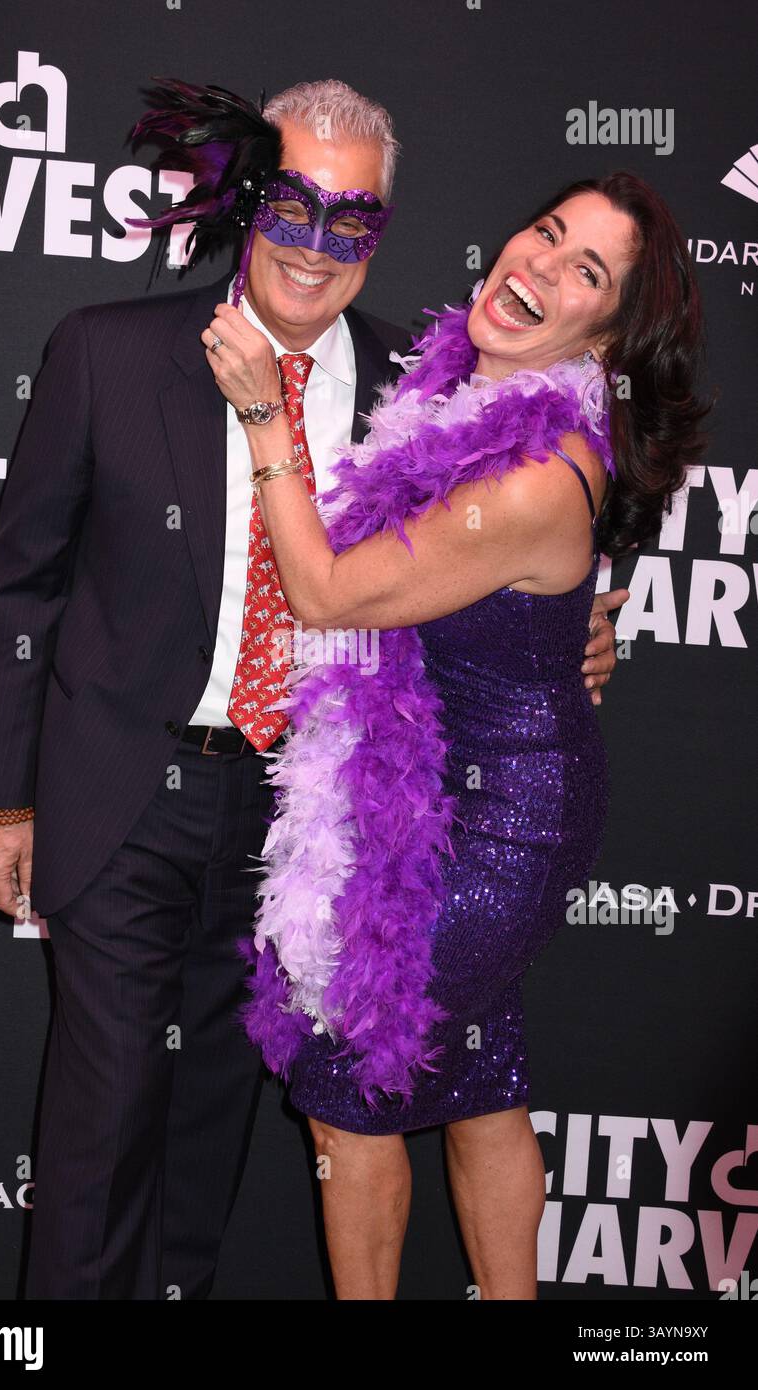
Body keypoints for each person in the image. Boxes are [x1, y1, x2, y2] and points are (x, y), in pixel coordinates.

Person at [0, 79, 623, 1300]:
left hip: (302, 820)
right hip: (127, 794)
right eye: (293, 203)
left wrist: (572, 629)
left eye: (353, 220)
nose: (316, 245)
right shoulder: (107, 350)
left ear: (381, 233)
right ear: (244, 196)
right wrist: (2, 801)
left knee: (208, 1130)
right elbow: (21, 588)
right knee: (102, 1122)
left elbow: (479, 560)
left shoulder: (413, 390)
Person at [203, 170, 708, 1299]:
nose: (537, 265)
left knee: (346, 1076)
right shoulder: (448, 393)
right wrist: (569, 630)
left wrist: (264, 417)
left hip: (497, 827)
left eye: (586, 271)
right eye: (544, 231)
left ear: (608, 333)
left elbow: (329, 595)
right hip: (457, 787)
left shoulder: (533, 471)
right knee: (482, 1073)